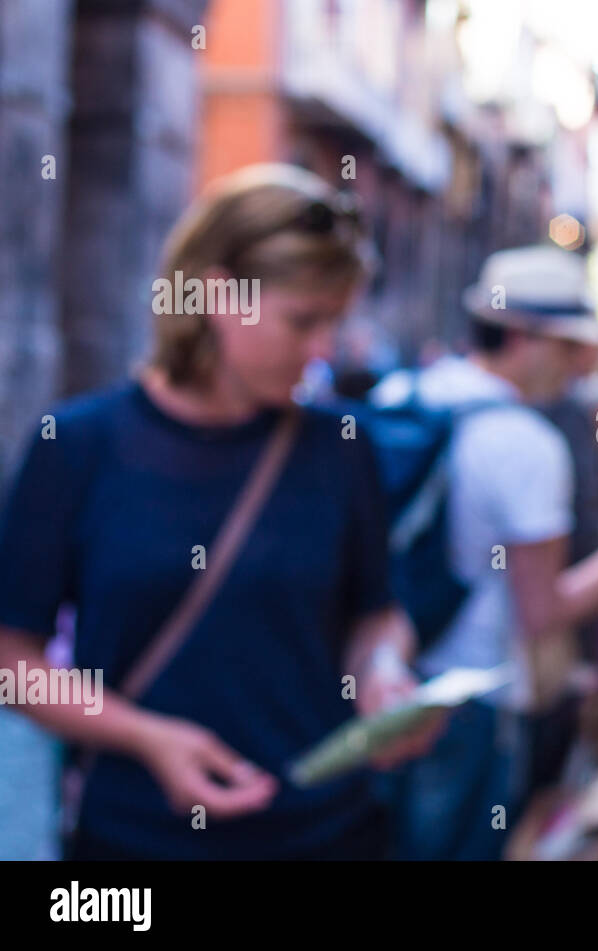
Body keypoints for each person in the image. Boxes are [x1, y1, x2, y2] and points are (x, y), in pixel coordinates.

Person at [0, 164, 438, 860]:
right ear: (215, 293)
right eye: (304, 320)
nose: (324, 349)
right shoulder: (78, 446)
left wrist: (384, 671)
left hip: (326, 832)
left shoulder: (341, 445)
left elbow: (375, 608)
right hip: (136, 846)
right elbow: (11, 659)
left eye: (336, 321)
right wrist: (145, 735)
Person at [377, 245, 598, 860]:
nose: (578, 366)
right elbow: (543, 610)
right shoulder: (525, 443)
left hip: (390, 692)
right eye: (568, 347)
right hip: (476, 705)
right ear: (521, 336)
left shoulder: (406, 397)